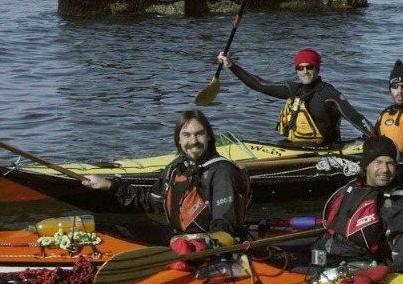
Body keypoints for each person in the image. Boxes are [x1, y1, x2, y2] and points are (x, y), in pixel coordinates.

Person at [81, 109, 251, 257]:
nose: (193, 141)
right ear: (179, 140)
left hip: (206, 249)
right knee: (113, 229)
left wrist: (190, 244)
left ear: (209, 137)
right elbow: (151, 202)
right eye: (186, 135)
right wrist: (110, 185)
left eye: (199, 133)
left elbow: (224, 230)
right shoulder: (176, 168)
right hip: (178, 241)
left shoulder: (223, 173)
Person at [216, 48, 373, 146]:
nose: (305, 72)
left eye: (309, 67)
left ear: (317, 68)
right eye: (300, 68)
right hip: (293, 146)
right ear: (296, 70)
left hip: (324, 151)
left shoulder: (329, 95)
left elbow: (356, 118)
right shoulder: (292, 90)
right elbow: (259, 84)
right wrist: (231, 65)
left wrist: (378, 141)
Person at [312, 135, 403, 273]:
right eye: (379, 162)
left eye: (390, 163)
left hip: (357, 265)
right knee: (309, 261)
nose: (385, 169)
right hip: (327, 250)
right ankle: (314, 271)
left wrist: (397, 268)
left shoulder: (395, 202)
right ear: (366, 165)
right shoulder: (353, 187)